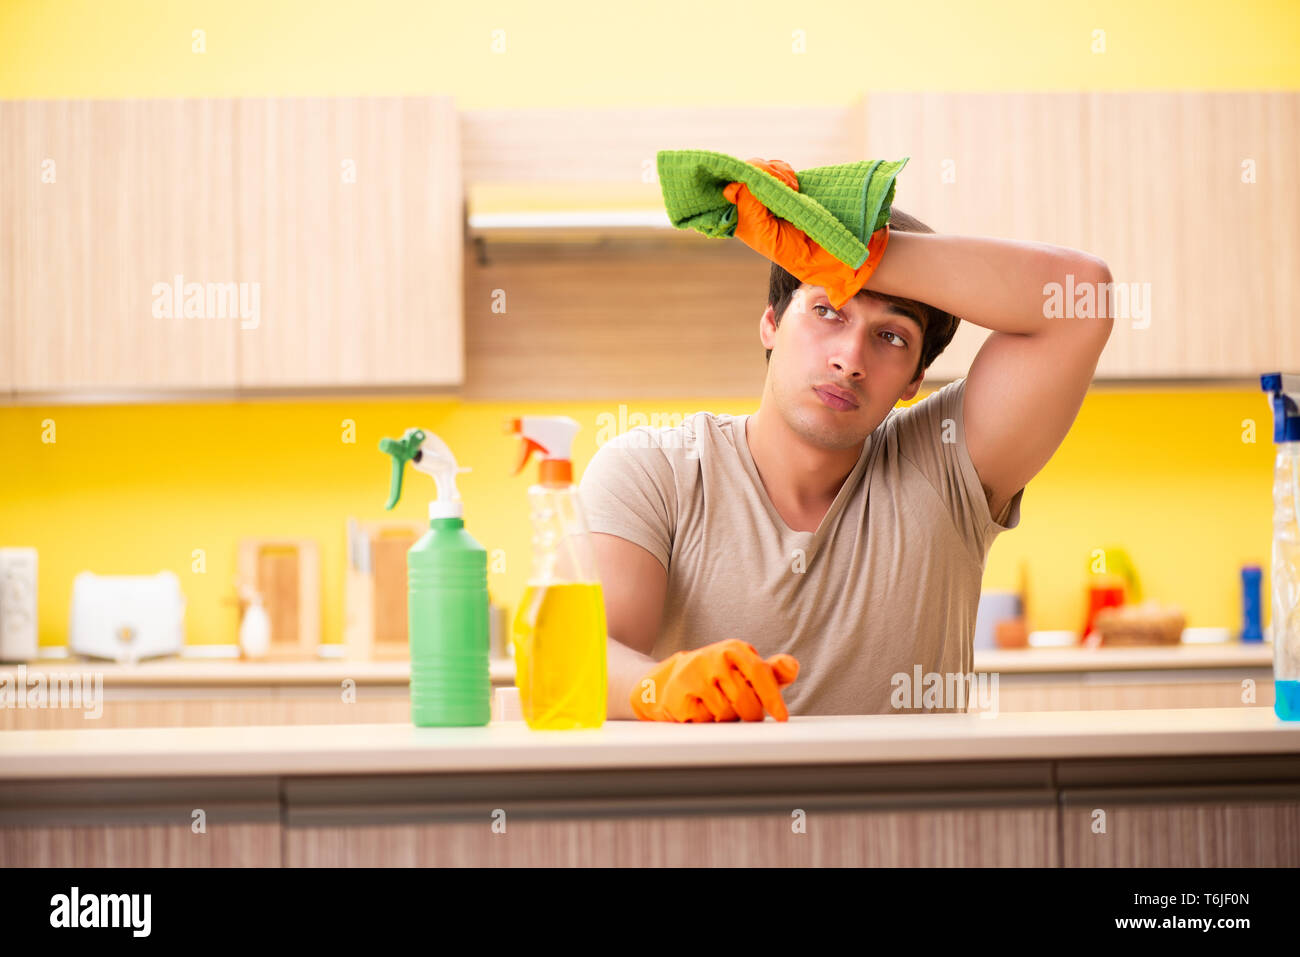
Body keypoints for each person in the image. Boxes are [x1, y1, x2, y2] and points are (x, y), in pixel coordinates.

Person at [580, 205, 1113, 721]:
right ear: (770, 323)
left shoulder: (947, 464)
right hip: (719, 811)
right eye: (827, 310)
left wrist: (847, 251)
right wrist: (663, 686)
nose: (850, 360)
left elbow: (1081, 296)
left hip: (910, 814)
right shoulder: (654, 472)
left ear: (913, 382)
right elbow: (591, 659)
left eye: (891, 336)